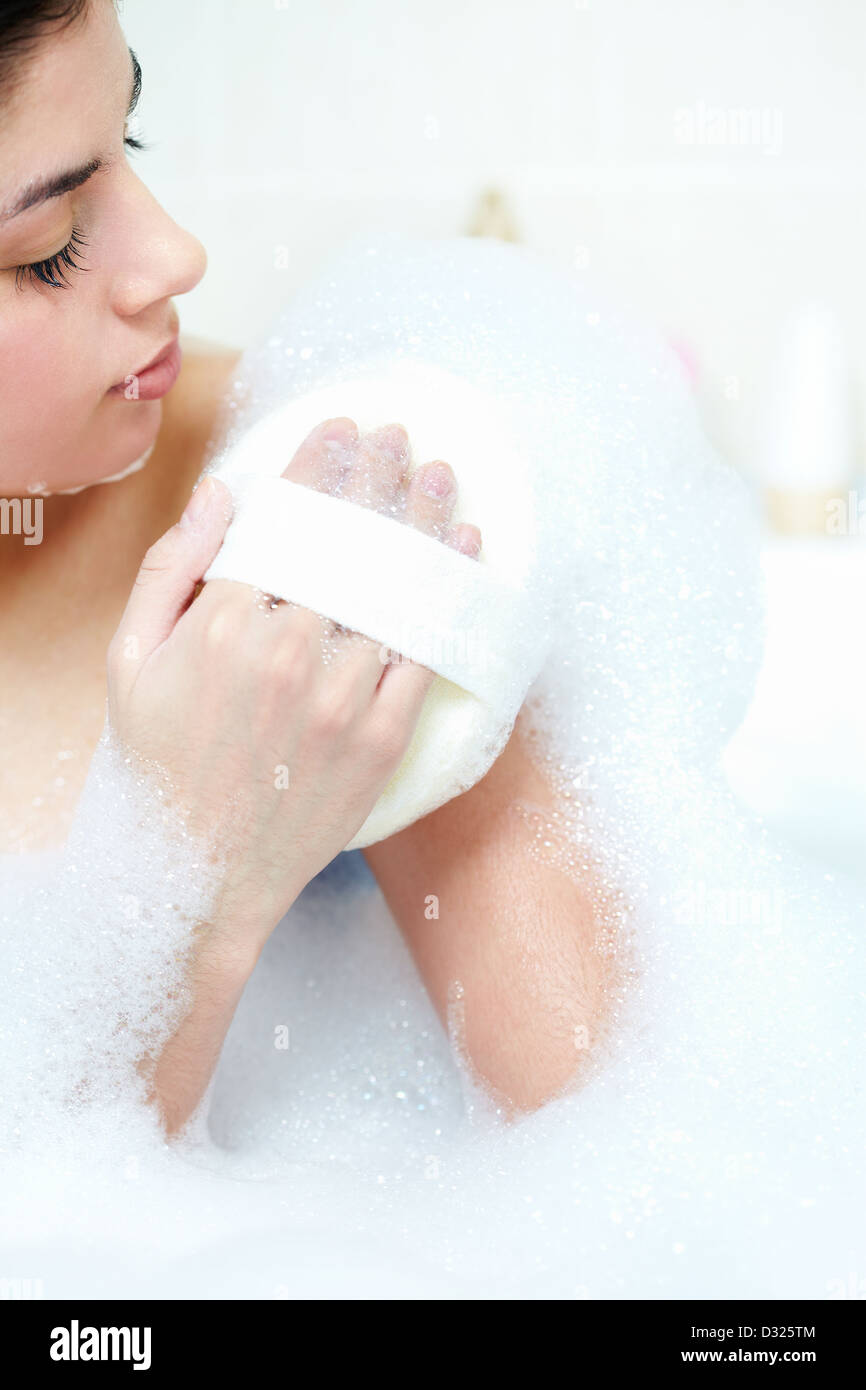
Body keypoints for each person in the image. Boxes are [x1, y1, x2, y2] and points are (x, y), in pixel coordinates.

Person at [0, 0, 612, 1135]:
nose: (178, 257)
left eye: (128, 142)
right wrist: (202, 889)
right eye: (50, 248)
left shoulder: (320, 528)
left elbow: (635, 1162)